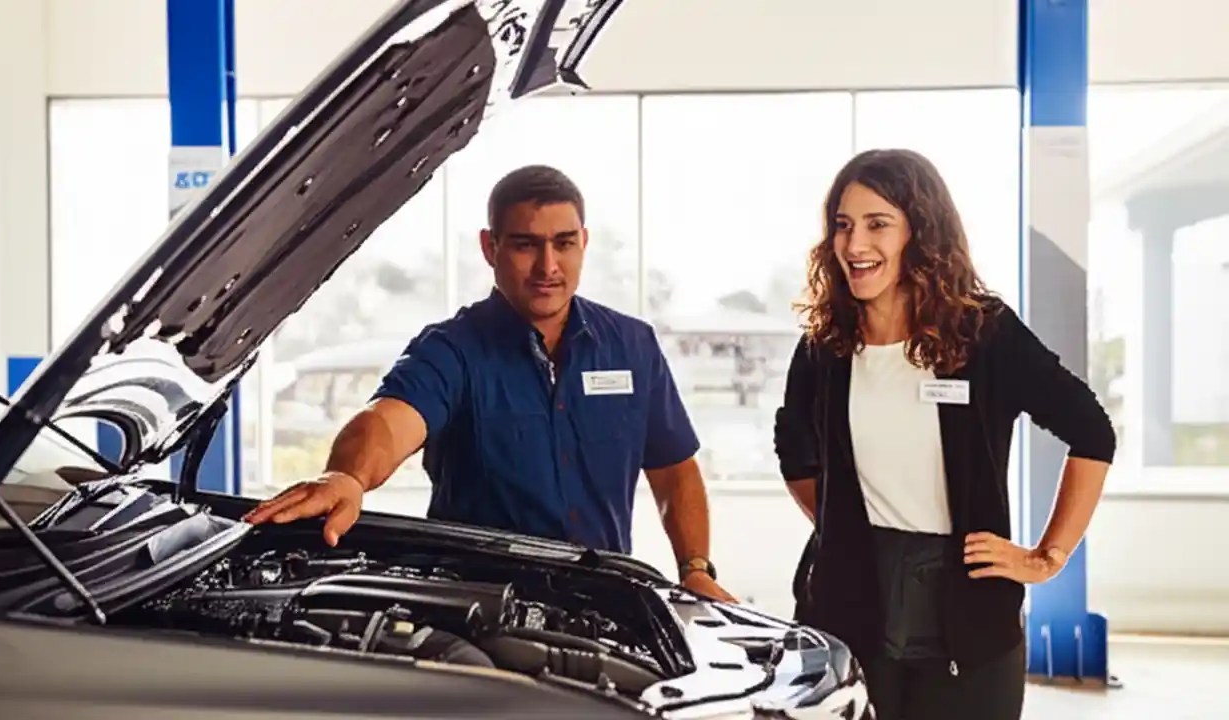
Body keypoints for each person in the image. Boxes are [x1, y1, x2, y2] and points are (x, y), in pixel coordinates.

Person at [245, 163, 736, 603]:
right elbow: (389, 423)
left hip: (604, 607)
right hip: (481, 617)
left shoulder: (632, 346)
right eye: (526, 245)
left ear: (584, 242)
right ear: (490, 247)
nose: (548, 267)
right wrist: (348, 477)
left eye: (563, 243)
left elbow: (674, 470)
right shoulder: (453, 350)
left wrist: (694, 567)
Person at [774, 149, 1115, 719]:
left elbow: (1091, 432)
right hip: (849, 604)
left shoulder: (983, 333)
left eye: (878, 224)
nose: (855, 245)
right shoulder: (825, 345)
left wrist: (1046, 557)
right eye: (843, 225)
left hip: (967, 609)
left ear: (921, 231)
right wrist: (845, 524)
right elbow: (795, 451)